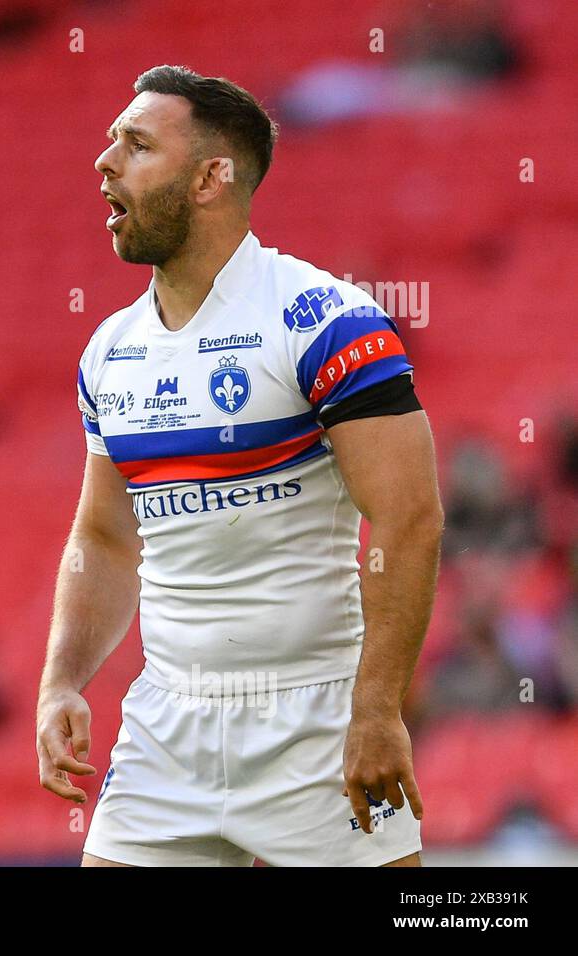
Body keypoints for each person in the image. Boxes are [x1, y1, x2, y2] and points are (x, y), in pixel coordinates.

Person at [37, 67, 443, 867]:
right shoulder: (110, 353)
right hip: (167, 726)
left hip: (318, 723)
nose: (104, 161)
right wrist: (62, 679)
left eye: (137, 143)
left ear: (211, 177)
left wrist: (378, 707)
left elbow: (409, 518)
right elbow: (106, 537)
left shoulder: (325, 322)